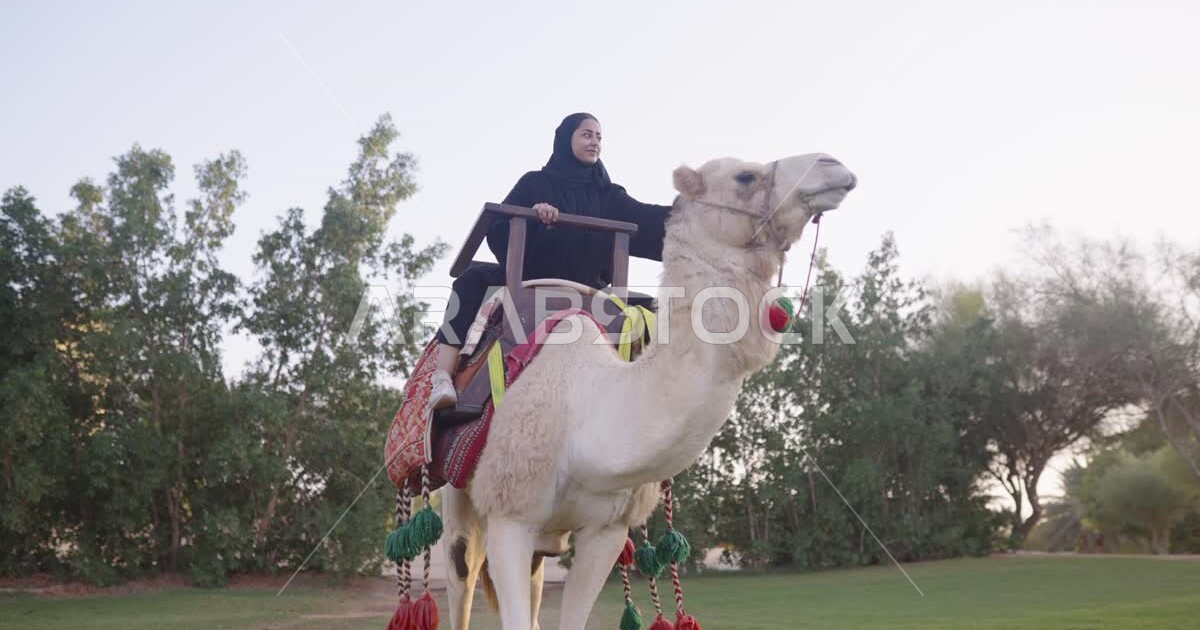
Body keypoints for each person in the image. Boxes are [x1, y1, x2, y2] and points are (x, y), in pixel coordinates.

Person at [428, 112, 672, 409]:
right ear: (565, 139)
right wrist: (532, 215)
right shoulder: (535, 183)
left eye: (598, 136)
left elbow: (647, 220)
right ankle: (442, 376)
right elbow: (499, 228)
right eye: (586, 134)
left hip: (588, 291)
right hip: (529, 280)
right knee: (469, 281)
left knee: (654, 309)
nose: (594, 141)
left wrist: (694, 211)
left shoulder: (608, 196)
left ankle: (657, 393)